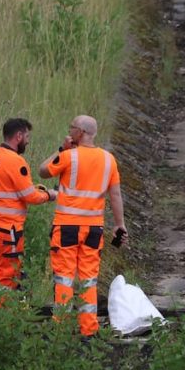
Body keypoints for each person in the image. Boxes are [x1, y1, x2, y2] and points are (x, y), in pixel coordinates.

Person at [38, 115, 126, 337]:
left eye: (72, 127)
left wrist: (62, 148)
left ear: (81, 132)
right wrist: (119, 224)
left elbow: (43, 171)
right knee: (88, 279)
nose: (70, 130)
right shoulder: (109, 160)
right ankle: (89, 331)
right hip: (93, 229)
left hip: (67, 227)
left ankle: (62, 329)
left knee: (64, 278)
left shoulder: (69, 157)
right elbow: (115, 194)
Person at [0, 118, 56, 303]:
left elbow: (7, 188)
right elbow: (31, 197)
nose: (28, 141)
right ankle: (0, 320)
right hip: (7, 231)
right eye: (27, 136)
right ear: (18, 136)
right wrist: (50, 195)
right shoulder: (16, 162)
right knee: (6, 276)